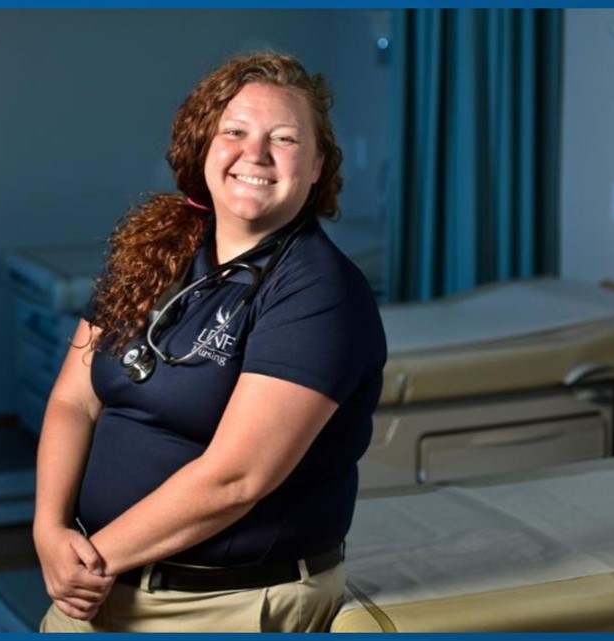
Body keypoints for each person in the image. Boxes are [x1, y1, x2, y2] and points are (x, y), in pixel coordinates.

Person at [34, 51, 387, 633]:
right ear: (204, 146)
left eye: (285, 139)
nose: (256, 154)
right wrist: (49, 529)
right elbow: (74, 399)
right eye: (235, 132)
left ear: (318, 165)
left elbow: (236, 478)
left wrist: (86, 563)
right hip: (100, 587)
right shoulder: (154, 250)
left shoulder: (320, 291)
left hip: (222, 603)